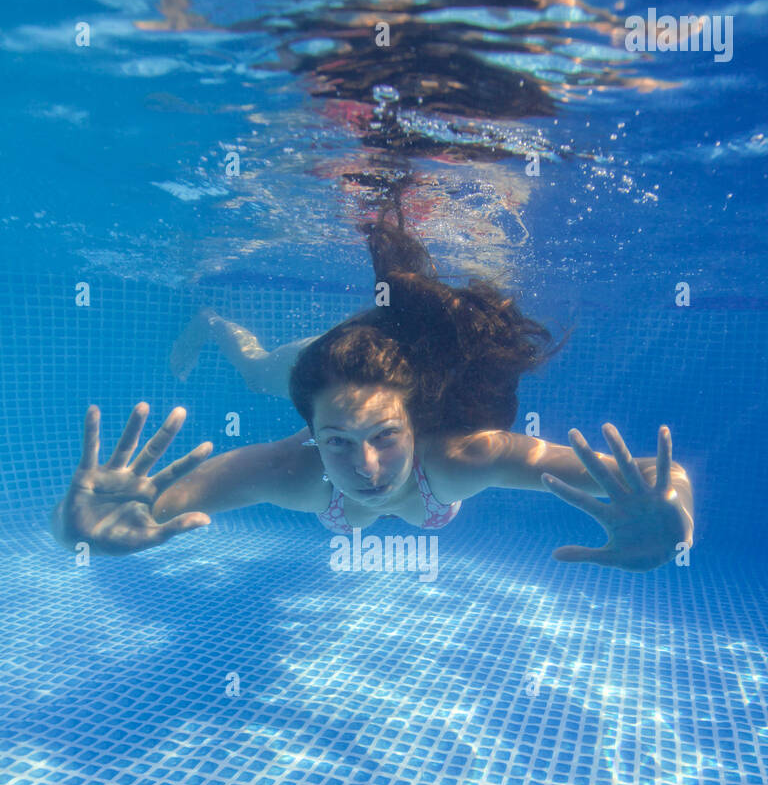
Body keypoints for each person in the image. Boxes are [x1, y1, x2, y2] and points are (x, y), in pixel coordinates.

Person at [49, 216, 693, 569]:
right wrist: (78, 530)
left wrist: (673, 514)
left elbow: (649, 475)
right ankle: (214, 323)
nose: (367, 469)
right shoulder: (291, 471)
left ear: (418, 424)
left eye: (386, 436)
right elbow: (136, 512)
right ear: (307, 435)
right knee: (255, 374)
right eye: (336, 442)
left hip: (375, 376)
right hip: (322, 362)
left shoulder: (466, 456)